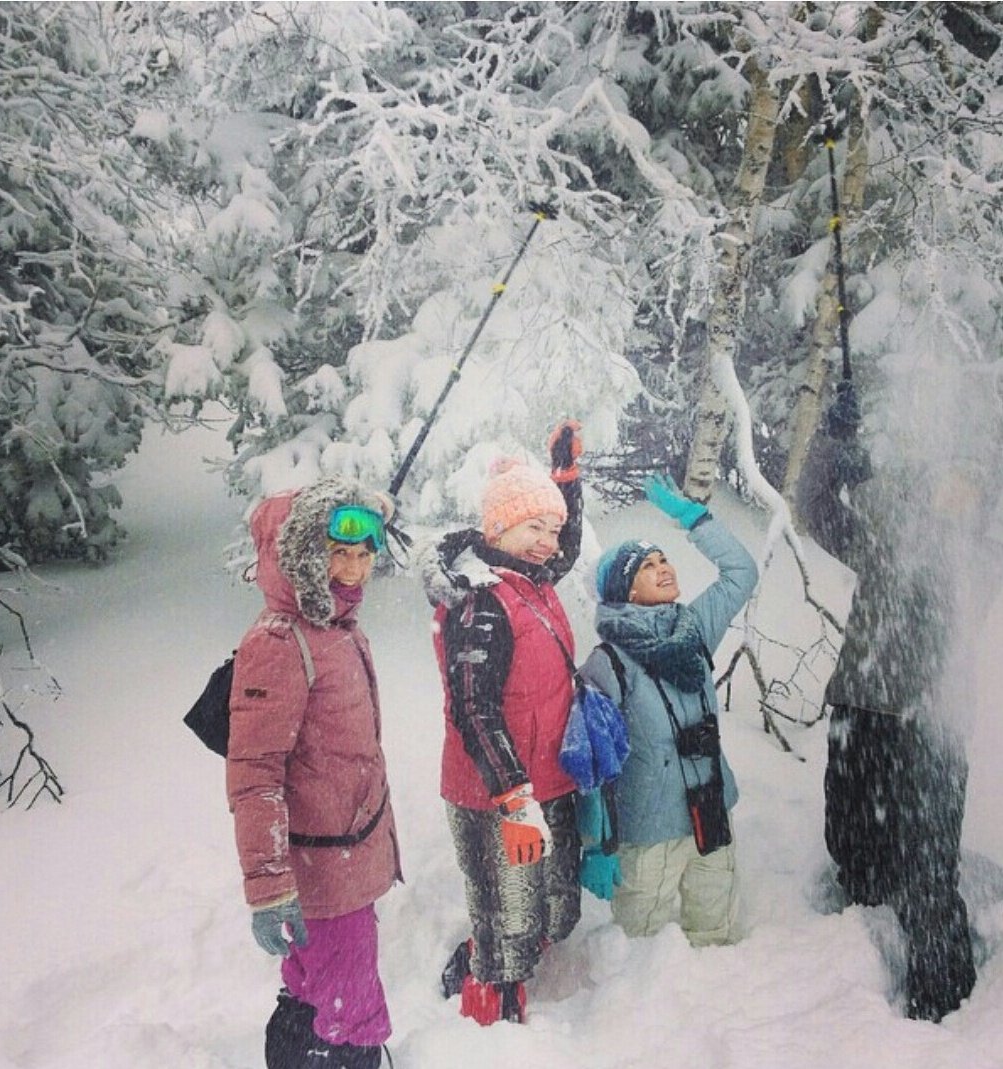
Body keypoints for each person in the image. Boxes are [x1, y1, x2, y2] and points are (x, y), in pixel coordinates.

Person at [797, 375, 1001, 1021]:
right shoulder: (889, 542)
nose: (955, 489)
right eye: (949, 476)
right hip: (860, 712)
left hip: (930, 731)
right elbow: (818, 509)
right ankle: (854, 962)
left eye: (969, 481)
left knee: (925, 873)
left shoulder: (980, 557)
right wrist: (836, 442)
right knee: (851, 848)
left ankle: (941, 1004)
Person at [226, 477, 401, 1069]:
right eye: (337, 554)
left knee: (313, 985)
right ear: (302, 556)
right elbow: (254, 774)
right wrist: (270, 885)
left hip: (341, 857)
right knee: (349, 1007)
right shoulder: (282, 642)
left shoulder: (333, 626)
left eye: (363, 554)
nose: (353, 570)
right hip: (320, 871)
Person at [421, 420, 584, 1025]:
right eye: (532, 527)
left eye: (552, 529)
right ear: (497, 529)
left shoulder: (530, 579)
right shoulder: (480, 601)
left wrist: (565, 478)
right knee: (508, 917)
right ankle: (488, 994)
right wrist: (514, 800)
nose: (548, 542)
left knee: (554, 907)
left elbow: (561, 546)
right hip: (496, 793)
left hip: (547, 782)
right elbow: (474, 709)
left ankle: (509, 956)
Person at [578, 474, 758, 946]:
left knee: (715, 937)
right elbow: (593, 762)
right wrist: (597, 845)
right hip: (649, 831)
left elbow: (741, 572)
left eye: (664, 559)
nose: (664, 568)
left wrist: (692, 516)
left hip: (711, 809)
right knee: (641, 952)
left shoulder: (693, 629)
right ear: (625, 589)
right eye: (646, 566)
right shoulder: (607, 662)